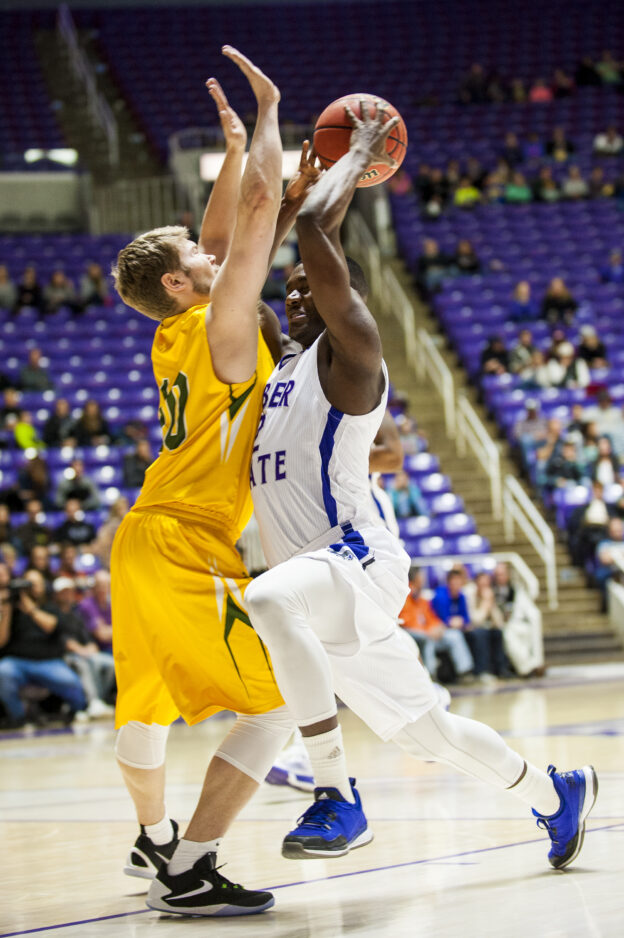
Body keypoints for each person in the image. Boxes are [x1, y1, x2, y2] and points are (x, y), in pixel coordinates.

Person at [243, 100, 597, 872]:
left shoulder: (354, 355)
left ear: (342, 299)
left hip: (354, 556)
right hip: (318, 580)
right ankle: (557, 792)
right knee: (427, 733)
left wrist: (353, 158)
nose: (294, 297)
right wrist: (291, 202)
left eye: (308, 288)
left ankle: (336, 794)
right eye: (290, 291)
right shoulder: (280, 364)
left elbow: (319, 240)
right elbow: (241, 286)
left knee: (265, 598)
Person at [109, 48, 316, 918]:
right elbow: (258, 216)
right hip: (183, 541)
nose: (211, 251)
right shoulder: (222, 329)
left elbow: (226, 240)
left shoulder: (179, 328)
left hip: (144, 537)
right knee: (280, 703)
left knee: (145, 703)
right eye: (195, 253)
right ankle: (189, 867)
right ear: (177, 282)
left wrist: (231, 152)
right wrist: (268, 116)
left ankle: (152, 837)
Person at [0, 568, 87, 729]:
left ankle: (78, 711)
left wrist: (30, 609)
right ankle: (18, 718)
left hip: (48, 662)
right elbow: (1, 640)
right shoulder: (12, 609)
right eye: (29, 584)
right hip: (18, 662)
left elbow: (52, 626)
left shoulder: (50, 606)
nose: (33, 588)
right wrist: (7, 608)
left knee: (70, 681)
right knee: (3, 671)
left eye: (36, 584)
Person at [55, 576, 115, 719]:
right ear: (56, 595)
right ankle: (92, 702)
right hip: (66, 655)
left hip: (84, 652)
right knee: (85, 664)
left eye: (69, 591)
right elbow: (63, 639)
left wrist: (91, 647)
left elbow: (88, 636)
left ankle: (98, 701)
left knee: (111, 664)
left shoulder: (75, 613)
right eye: (63, 592)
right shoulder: (54, 612)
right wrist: (81, 650)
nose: (67, 595)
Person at [401, 569, 473, 681]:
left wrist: (438, 627)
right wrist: (427, 631)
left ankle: (465, 672)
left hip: (429, 633)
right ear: (412, 582)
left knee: (455, 635)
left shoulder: (422, 600)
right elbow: (406, 622)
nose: (423, 582)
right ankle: (431, 676)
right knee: (427, 639)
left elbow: (432, 618)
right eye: (420, 580)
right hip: (414, 635)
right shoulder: (403, 600)